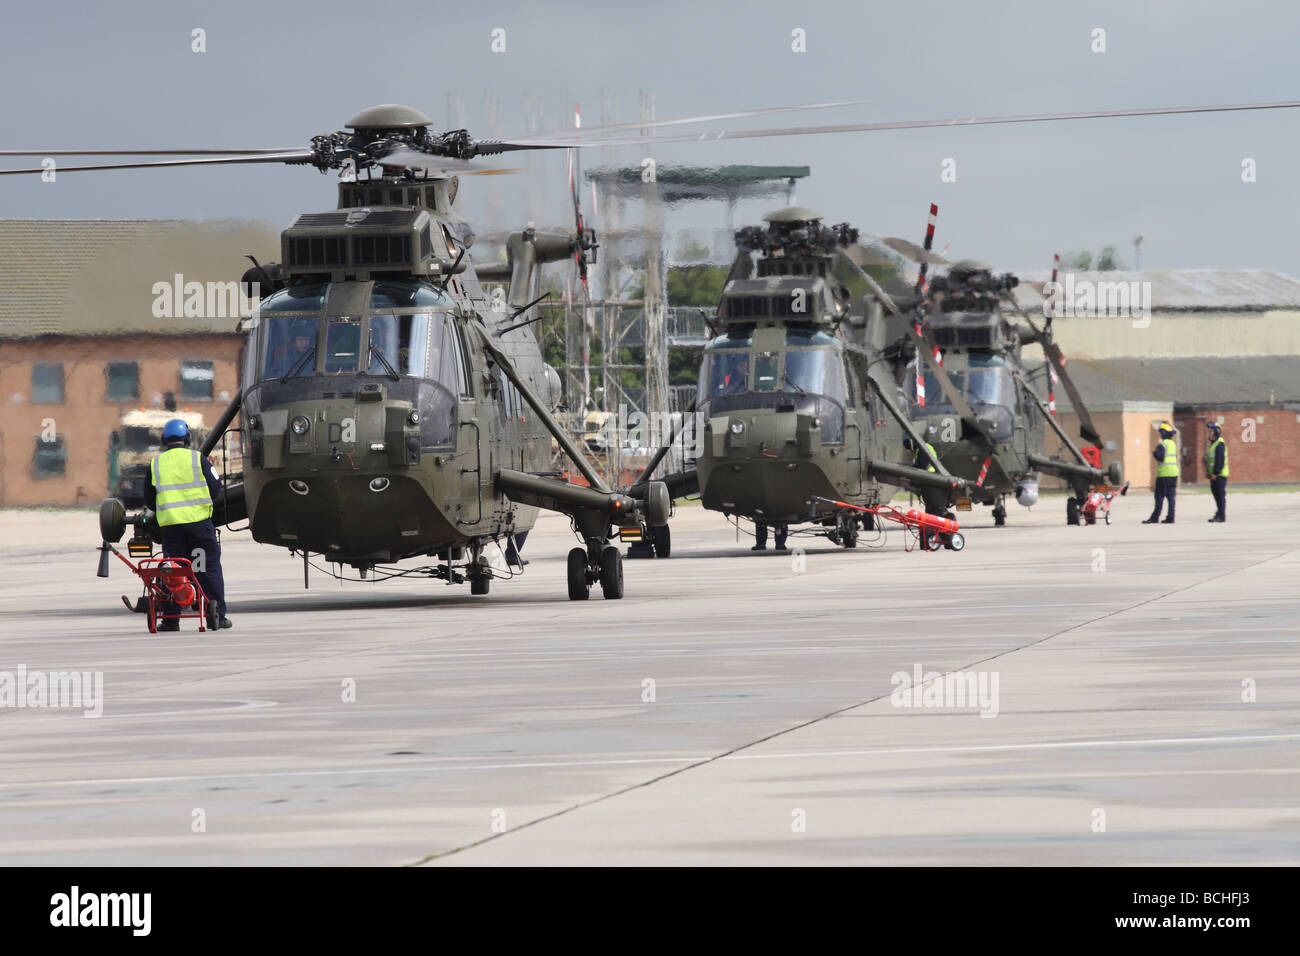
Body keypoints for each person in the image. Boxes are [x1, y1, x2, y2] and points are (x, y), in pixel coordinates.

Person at [144, 418, 232, 630]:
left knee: (174, 572)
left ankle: (171, 619)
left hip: (172, 529)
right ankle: (216, 617)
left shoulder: (156, 464)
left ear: (164, 440)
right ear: (188, 439)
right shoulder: (198, 459)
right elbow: (215, 488)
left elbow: (149, 500)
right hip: (199, 525)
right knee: (207, 569)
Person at [1143, 421, 1180, 524]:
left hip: (1164, 474)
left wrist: (1155, 453)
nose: (1160, 434)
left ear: (1164, 433)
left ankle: (1155, 518)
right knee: (1171, 497)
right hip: (1173, 474)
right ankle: (1171, 517)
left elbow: (1160, 457)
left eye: (1161, 432)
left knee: (1159, 497)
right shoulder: (1173, 444)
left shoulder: (1162, 444)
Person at [1205, 421, 1229, 523]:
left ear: (1216, 432)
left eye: (1211, 431)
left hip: (1219, 475)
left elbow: (1220, 461)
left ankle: (1221, 516)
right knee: (1216, 496)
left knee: (1220, 496)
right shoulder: (1213, 444)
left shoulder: (1219, 444)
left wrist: (1215, 473)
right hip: (1214, 475)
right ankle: (1219, 513)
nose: (1209, 433)